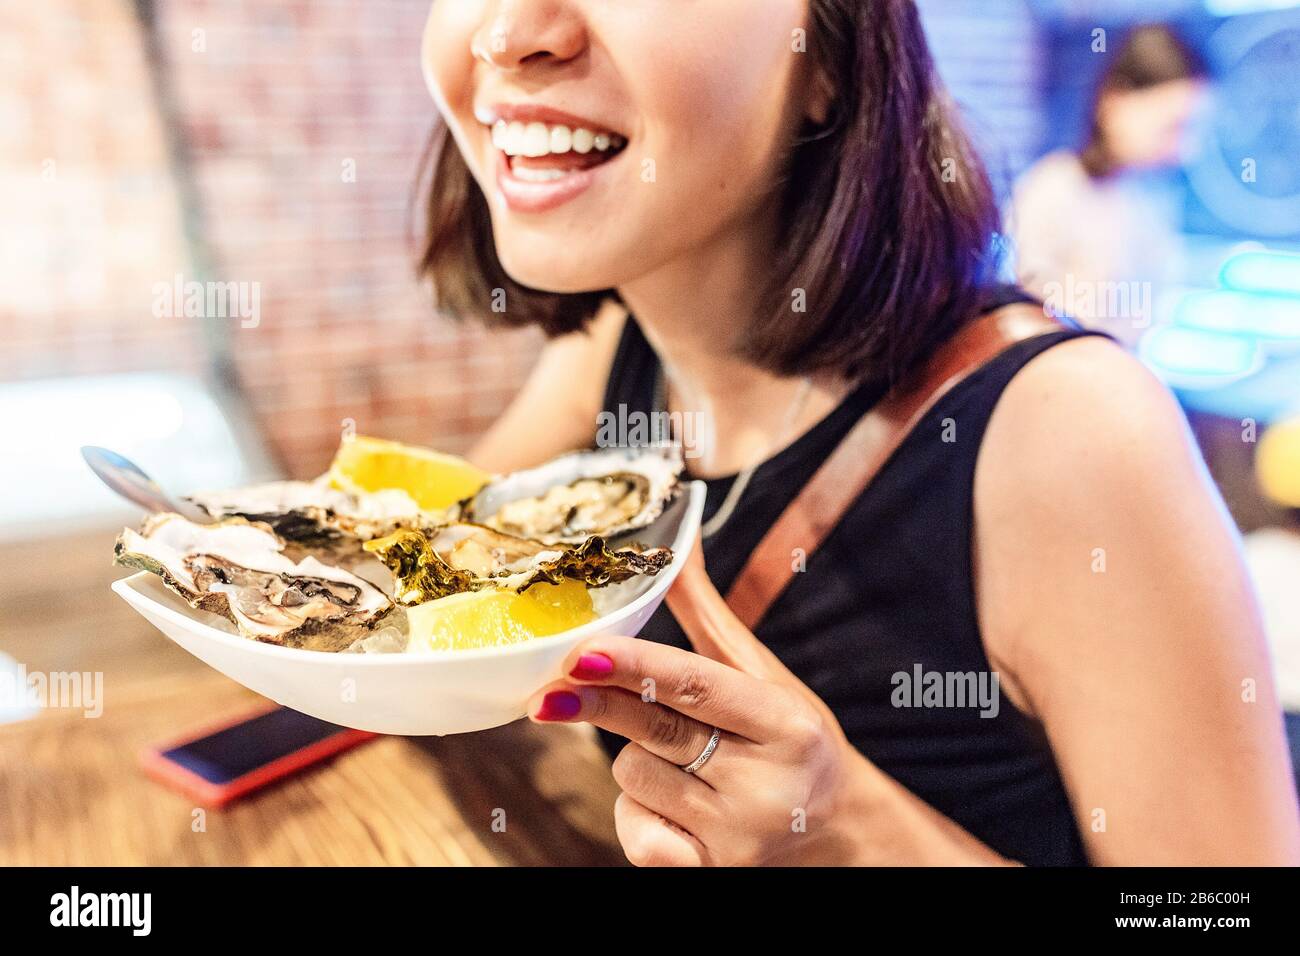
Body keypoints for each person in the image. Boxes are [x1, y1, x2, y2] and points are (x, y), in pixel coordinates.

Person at [418, 1, 1299, 865]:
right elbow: (417, 561)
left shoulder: (1071, 430)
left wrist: (846, 834)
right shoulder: (619, 350)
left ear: (831, 55)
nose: (508, 30)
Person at [1008, 24, 1210, 347]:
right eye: (1172, 126)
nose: (1184, 148)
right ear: (1113, 102)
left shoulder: (1149, 198)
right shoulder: (1052, 191)